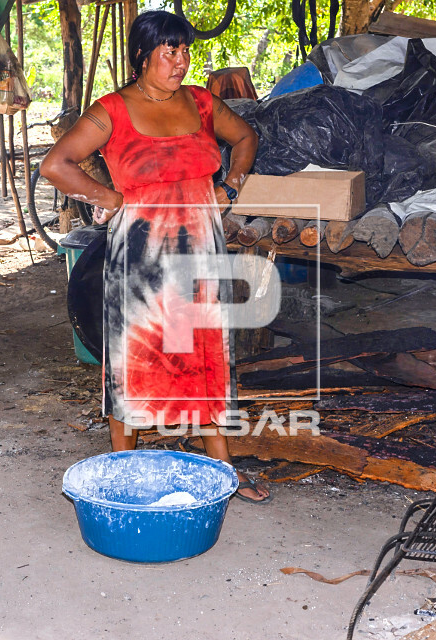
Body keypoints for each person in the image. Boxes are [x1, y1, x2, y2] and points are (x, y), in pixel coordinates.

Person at [41, 10, 268, 502]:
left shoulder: (203, 104)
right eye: (171, 51)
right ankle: (123, 470)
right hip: (140, 259)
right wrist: (108, 197)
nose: (182, 61)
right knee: (134, 359)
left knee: (205, 354)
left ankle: (222, 468)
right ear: (143, 55)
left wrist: (232, 185)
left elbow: (245, 138)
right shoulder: (113, 110)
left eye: (186, 50)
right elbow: (56, 164)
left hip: (201, 251)